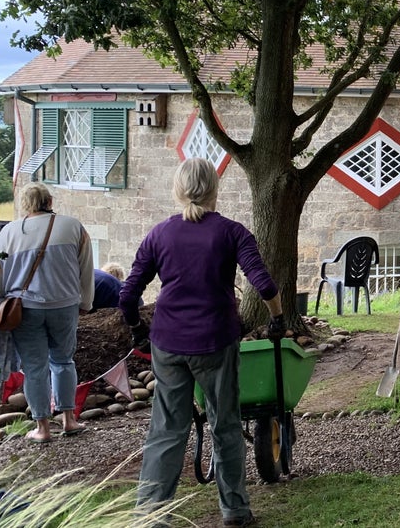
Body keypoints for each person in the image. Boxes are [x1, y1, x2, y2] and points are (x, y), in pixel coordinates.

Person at [119, 158, 282, 528]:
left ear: (178, 190)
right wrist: (277, 316)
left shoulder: (159, 234)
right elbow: (265, 284)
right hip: (214, 340)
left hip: (169, 341)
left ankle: (151, 514)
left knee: (166, 428)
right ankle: (235, 511)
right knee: (225, 425)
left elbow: (128, 295)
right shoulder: (232, 232)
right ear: (214, 189)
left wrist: (135, 329)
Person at [0, 183, 93, 443]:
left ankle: (43, 428)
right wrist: (86, 302)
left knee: (35, 368)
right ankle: (69, 419)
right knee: (64, 361)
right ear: (50, 200)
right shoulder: (73, 226)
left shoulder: (9, 233)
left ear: (25, 204)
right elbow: (86, 268)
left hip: (25, 310)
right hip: (65, 305)